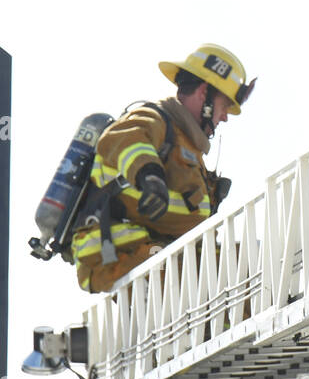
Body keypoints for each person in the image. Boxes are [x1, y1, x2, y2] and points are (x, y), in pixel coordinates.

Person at [71, 43, 255, 293]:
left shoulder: (187, 147)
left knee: (248, 259)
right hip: (120, 252)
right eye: (224, 107)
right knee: (231, 273)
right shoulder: (155, 119)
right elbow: (119, 139)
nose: (224, 117)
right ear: (204, 93)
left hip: (156, 254)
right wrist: (149, 176)